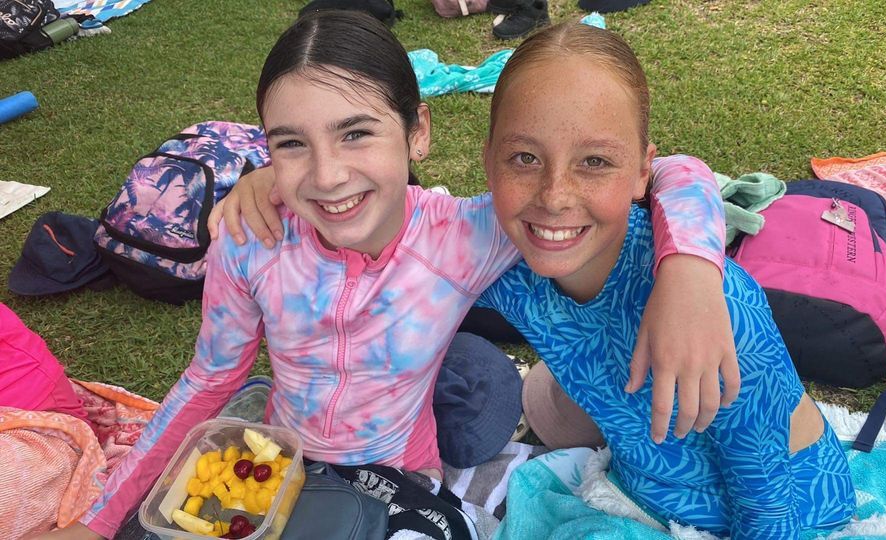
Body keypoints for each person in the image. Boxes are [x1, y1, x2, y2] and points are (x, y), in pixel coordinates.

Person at [49, 11, 737, 539]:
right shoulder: (251, 238)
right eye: (292, 144)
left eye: (356, 134)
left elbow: (681, 172)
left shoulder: (462, 236)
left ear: (417, 133)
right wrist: (96, 520)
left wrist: (693, 275)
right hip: (272, 460)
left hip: (397, 483)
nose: (326, 175)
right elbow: (209, 379)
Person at [473, 22, 855, 538]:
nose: (555, 195)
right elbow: (396, 235)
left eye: (594, 161)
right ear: (488, 161)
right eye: (524, 158)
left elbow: (771, 509)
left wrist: (693, 278)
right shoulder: (502, 261)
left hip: (784, 509)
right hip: (636, 483)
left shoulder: (719, 312)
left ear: (640, 173)